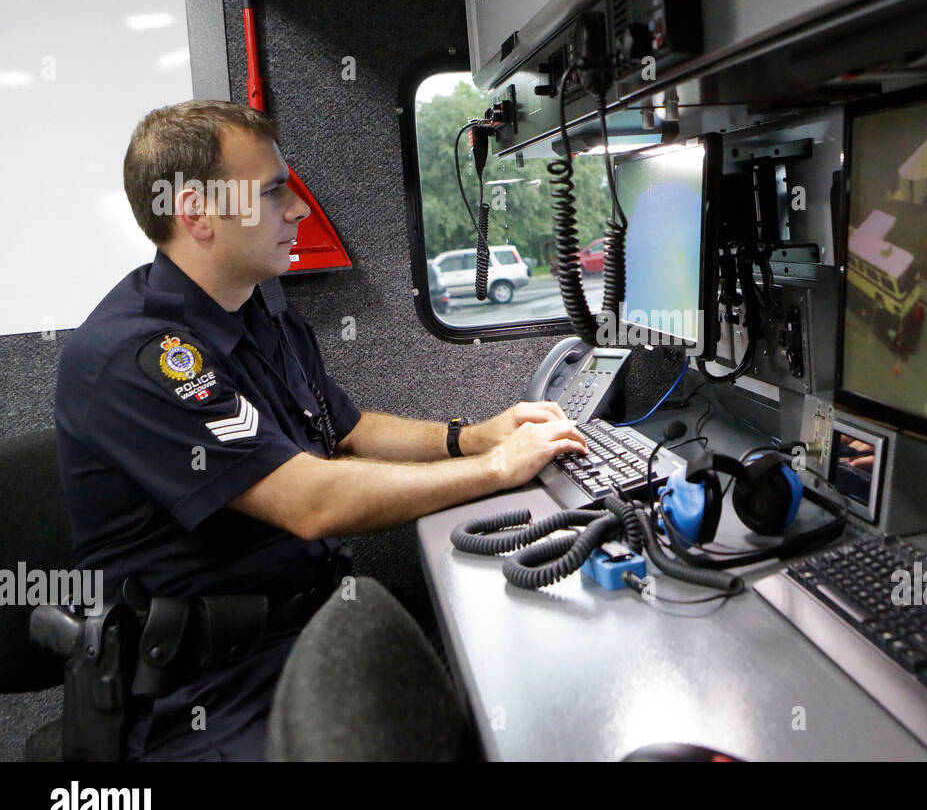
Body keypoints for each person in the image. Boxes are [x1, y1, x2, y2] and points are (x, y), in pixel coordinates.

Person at [53, 99, 587, 761]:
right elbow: (311, 501)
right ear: (195, 212)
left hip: (312, 629)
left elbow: (350, 429)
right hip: (206, 694)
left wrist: (474, 437)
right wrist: (498, 470)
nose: (299, 209)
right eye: (275, 191)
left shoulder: (262, 305)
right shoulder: (138, 358)